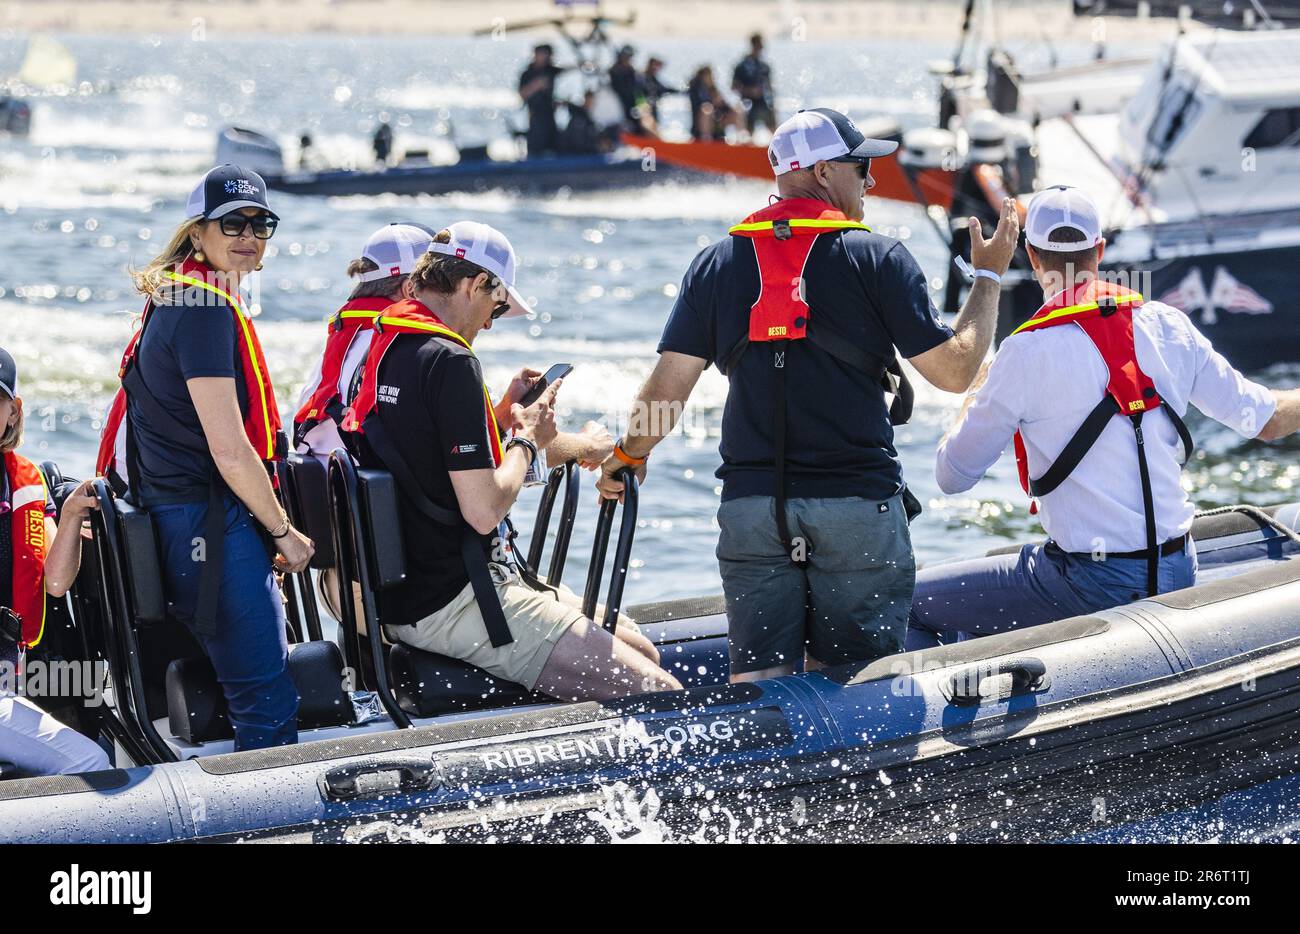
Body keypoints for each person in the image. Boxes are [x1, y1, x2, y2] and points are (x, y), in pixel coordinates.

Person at [598, 108, 1019, 682]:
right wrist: (989, 277)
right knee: (859, 687)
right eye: (861, 167)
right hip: (853, 507)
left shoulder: (715, 263)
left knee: (758, 690)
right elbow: (955, 372)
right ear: (823, 173)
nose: (870, 182)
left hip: (752, 512)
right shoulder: (879, 259)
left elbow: (667, 391)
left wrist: (628, 456)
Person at [907, 185, 1300, 649]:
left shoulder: (1025, 352)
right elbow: (1268, 420)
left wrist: (975, 390)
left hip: (1088, 582)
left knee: (907, 603)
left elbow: (953, 477)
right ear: (1100, 250)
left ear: (1032, 257)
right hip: (1179, 566)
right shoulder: (1168, 324)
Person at [342, 222, 680, 700]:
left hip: (403, 593)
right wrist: (528, 439)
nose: (490, 322)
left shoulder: (381, 343)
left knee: (643, 651)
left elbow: (422, 457)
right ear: (474, 284)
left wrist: (497, 421)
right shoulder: (451, 362)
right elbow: (483, 511)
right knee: (659, 691)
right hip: (455, 599)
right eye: (496, 305)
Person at [97, 164, 314, 751]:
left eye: (260, 223)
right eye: (231, 223)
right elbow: (230, 449)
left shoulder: (181, 296)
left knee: (244, 691)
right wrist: (283, 532)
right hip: (206, 525)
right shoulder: (203, 309)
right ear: (198, 233)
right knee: (265, 701)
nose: (247, 234)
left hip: (182, 523)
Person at [0, 348, 111, 776]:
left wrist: (70, 517)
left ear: (13, 411)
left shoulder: (26, 484)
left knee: (93, 760)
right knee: (90, 764)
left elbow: (56, 582)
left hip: (8, 681)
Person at [295, 222, 436, 460]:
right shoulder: (416, 349)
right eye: (441, 286)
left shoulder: (338, 343)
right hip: (377, 493)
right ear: (411, 290)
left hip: (317, 491)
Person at [519, 44, 565, 158]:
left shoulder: (550, 70)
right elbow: (522, 95)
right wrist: (537, 85)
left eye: (547, 55)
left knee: (553, 147)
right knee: (536, 148)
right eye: (541, 54)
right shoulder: (527, 73)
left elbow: (566, 69)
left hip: (550, 116)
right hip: (535, 117)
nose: (544, 58)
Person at [732, 34, 776, 136]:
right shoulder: (742, 66)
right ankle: (746, 142)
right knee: (745, 120)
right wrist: (749, 91)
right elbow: (734, 87)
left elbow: (769, 87)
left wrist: (770, 99)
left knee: (772, 121)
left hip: (762, 102)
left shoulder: (764, 66)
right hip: (747, 102)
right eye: (759, 44)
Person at [687, 66, 739, 142]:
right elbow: (701, 103)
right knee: (707, 109)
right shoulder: (696, 89)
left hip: (718, 121)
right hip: (701, 124)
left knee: (737, 110)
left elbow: (724, 105)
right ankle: (706, 138)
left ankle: (740, 136)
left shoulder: (714, 90)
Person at [640, 57, 681, 133]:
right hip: (645, 111)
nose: (657, 68)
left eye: (659, 66)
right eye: (656, 65)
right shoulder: (641, 77)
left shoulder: (653, 79)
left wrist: (682, 90)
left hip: (653, 109)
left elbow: (664, 89)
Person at [609, 45, 643, 128]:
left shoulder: (631, 70)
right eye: (628, 57)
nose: (629, 59)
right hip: (620, 105)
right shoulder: (615, 70)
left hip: (633, 104)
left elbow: (637, 89)